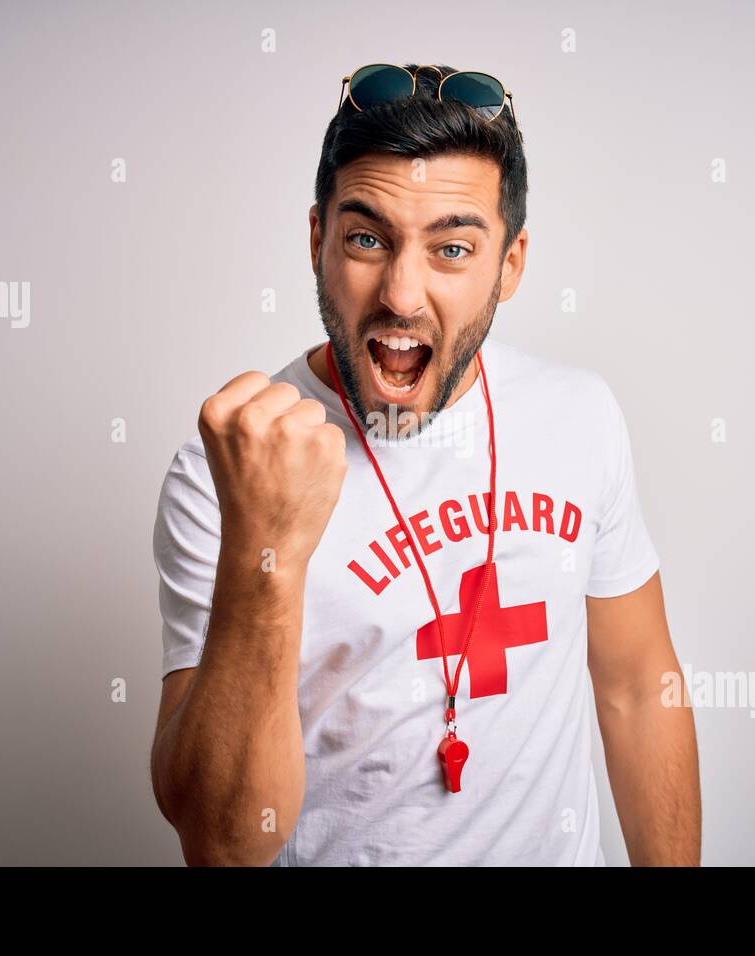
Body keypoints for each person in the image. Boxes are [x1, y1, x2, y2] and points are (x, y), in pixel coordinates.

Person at [149, 62, 700, 866]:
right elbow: (224, 842)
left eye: (451, 248)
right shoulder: (226, 468)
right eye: (368, 239)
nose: (403, 295)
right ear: (317, 242)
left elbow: (637, 686)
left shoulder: (579, 415)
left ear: (509, 265)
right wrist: (265, 546)